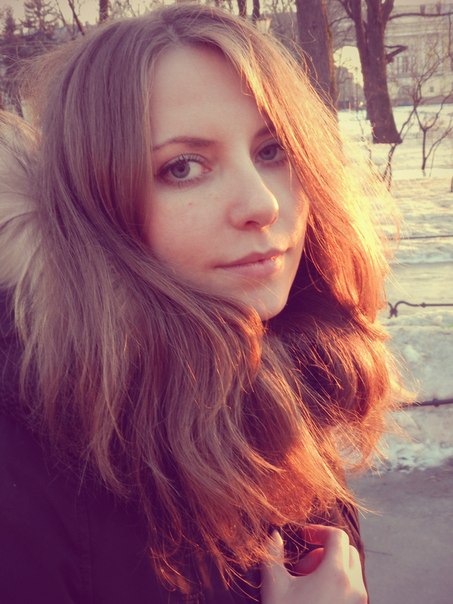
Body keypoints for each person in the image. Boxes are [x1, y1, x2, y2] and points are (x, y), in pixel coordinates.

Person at [0, 4, 398, 603]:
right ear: (95, 203)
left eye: (273, 150)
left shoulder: (281, 373)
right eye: (184, 167)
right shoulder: (26, 457)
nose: (262, 204)